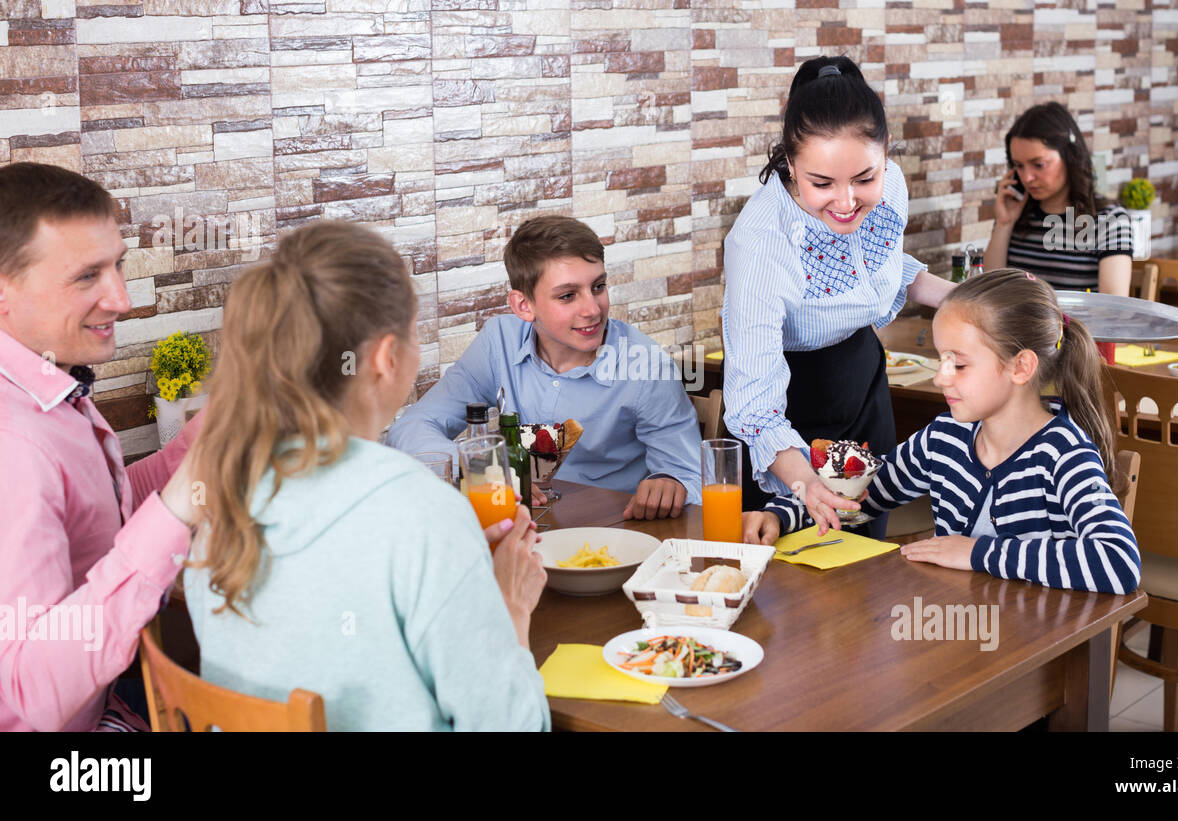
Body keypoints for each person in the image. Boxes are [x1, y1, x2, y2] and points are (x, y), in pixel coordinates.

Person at [183, 221, 550, 731]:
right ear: (384, 357)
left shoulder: (221, 499)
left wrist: (459, 571)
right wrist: (509, 610)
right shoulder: (422, 515)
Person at [743, 269, 1141, 595]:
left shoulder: (1063, 455)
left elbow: (1119, 562)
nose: (940, 377)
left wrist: (976, 553)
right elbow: (861, 496)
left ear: (1021, 367)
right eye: (941, 359)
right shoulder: (946, 437)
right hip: (954, 641)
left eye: (959, 365)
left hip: (1035, 666)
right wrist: (780, 516)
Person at [0, 162, 202, 732]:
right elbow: (29, 692)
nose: (122, 298)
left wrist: (191, 449)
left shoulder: (41, 379)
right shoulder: (12, 444)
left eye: (118, 265)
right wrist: (179, 511)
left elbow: (93, 515)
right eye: (87, 276)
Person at [722, 55, 956, 538]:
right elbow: (753, 403)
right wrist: (806, 482)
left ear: (886, 152)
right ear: (790, 162)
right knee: (795, 589)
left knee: (865, 574)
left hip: (863, 387)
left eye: (864, 178)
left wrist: (969, 296)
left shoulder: (889, 185)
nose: (847, 202)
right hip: (789, 409)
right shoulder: (763, 242)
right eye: (822, 183)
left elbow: (878, 269)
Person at [388, 214, 702, 520]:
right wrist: (485, 469)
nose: (592, 309)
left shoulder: (646, 364)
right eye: (568, 296)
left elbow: (694, 477)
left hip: (615, 537)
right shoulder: (499, 341)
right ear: (524, 306)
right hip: (527, 533)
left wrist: (670, 483)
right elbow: (412, 427)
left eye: (598, 286)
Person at [985, 102, 1133, 296]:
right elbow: (988, 294)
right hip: (1016, 327)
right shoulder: (1017, 216)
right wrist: (1004, 224)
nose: (1027, 177)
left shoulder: (1110, 221)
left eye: (1038, 164)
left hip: (1078, 327)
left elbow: (1113, 309)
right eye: (1019, 166)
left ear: (1069, 157)